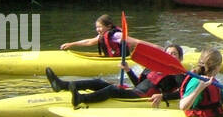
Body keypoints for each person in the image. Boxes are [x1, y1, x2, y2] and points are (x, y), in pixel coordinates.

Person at [45, 45, 187, 109]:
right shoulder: (152, 67)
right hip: (134, 92)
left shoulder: (178, 74)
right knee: (98, 82)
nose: (170, 56)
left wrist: (163, 97)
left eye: (173, 54)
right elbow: (138, 83)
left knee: (112, 89)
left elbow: (182, 94)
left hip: (141, 99)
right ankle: (62, 85)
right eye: (167, 53)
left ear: (180, 58)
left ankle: (82, 99)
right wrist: (128, 70)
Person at [59, 14, 147, 56]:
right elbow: (89, 42)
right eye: (96, 27)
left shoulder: (116, 35)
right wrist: (71, 44)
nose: (98, 29)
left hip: (121, 61)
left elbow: (136, 42)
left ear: (108, 26)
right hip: (111, 59)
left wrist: (156, 48)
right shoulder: (103, 35)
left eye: (100, 27)